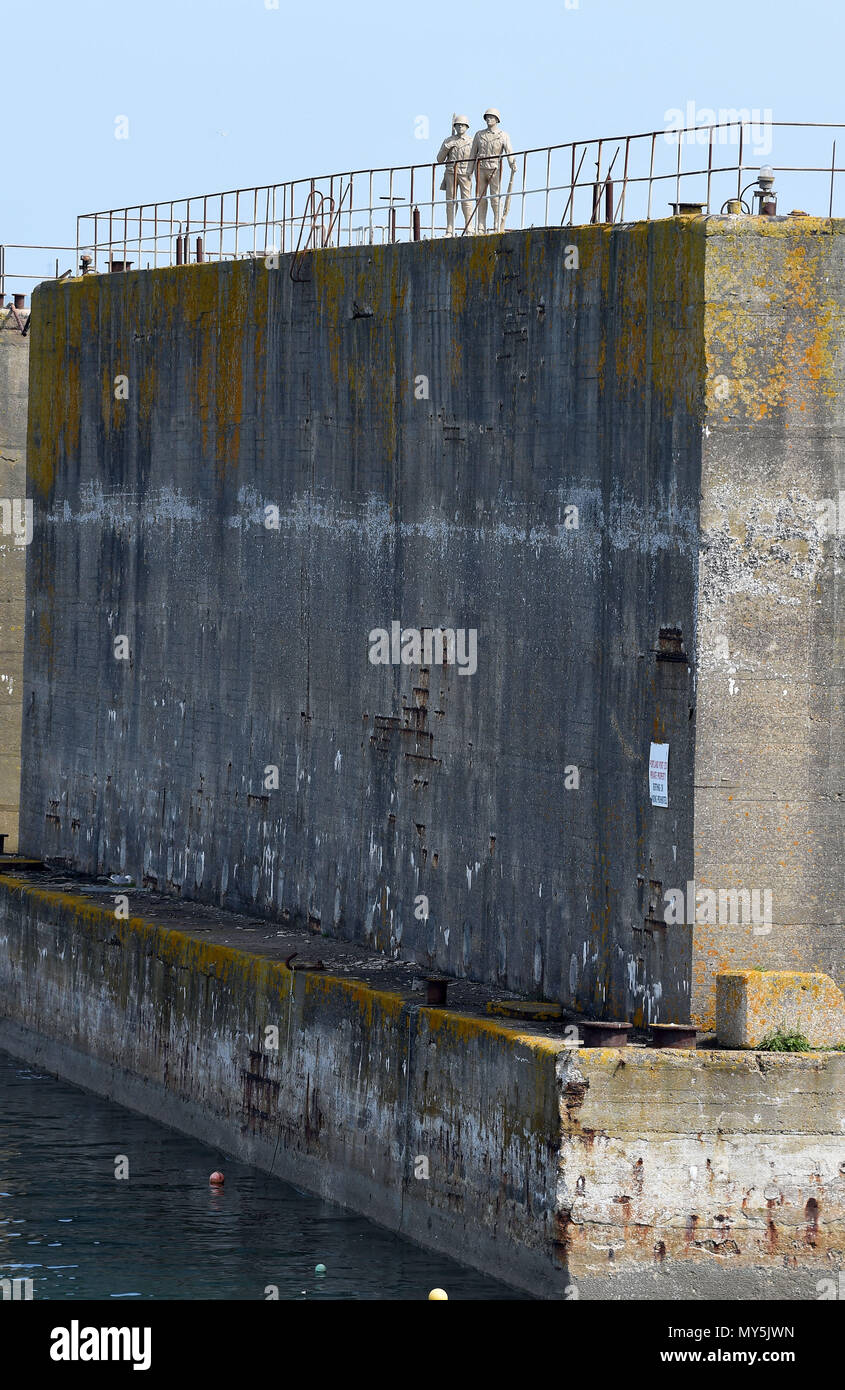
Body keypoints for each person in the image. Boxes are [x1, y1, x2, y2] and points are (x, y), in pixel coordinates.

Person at [469, 108, 517, 232]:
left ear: (497, 119)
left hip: (495, 169)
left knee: (495, 198)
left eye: (491, 117)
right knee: (480, 198)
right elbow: (472, 154)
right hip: (480, 169)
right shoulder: (479, 134)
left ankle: (497, 224)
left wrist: (512, 163)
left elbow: (509, 151)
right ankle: (480, 226)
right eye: (487, 117)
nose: (489, 119)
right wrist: (468, 171)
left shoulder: (503, 135)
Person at [436, 115, 474, 235]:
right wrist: (447, 147)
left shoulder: (472, 141)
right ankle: (449, 229)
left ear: (467, 127)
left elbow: (476, 159)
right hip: (451, 172)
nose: (460, 127)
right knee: (450, 202)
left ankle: (469, 228)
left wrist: (470, 171)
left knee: (466, 201)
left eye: (462, 125)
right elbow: (439, 159)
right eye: (458, 125)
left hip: (465, 172)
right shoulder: (448, 140)